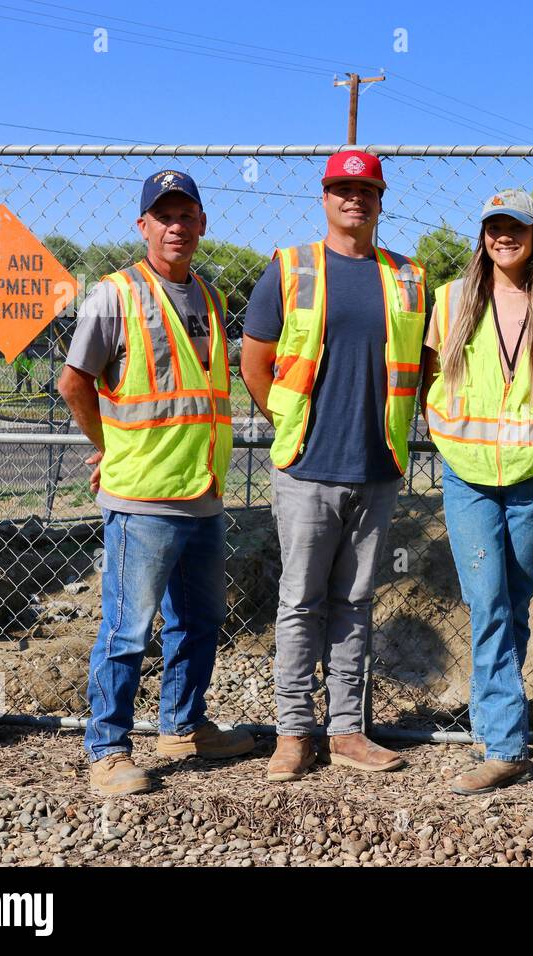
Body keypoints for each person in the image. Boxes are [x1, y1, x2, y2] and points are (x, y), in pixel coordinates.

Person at [59, 170, 254, 797]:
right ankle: (107, 748)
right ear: (143, 226)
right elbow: (73, 382)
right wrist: (108, 445)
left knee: (198, 618)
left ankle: (184, 725)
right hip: (141, 494)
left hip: (201, 490)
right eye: (162, 216)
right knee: (127, 626)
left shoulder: (209, 296)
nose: (175, 226)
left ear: (201, 224)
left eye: (186, 215)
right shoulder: (112, 296)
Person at [240, 151, 426, 782]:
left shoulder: (407, 276)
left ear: (380, 199)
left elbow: (420, 367)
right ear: (325, 197)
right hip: (306, 468)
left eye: (366, 190)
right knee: (299, 600)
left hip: (377, 466)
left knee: (355, 601)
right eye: (343, 189)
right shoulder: (290, 269)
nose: (355, 200)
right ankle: (293, 733)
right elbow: (256, 363)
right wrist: (290, 426)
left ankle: (347, 730)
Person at [419, 189, 533, 795]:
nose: (504, 237)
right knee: (488, 602)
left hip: (532, 477)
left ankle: (499, 719)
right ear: (483, 237)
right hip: (466, 472)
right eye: (494, 227)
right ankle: (504, 743)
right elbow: (424, 379)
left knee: (514, 604)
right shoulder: (448, 304)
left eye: (515, 227)